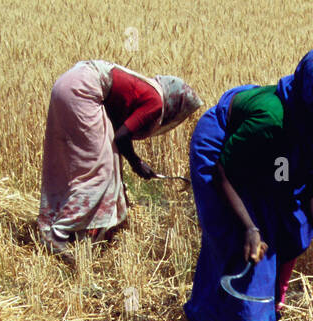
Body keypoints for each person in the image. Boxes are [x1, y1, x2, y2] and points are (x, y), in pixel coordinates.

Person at [184, 45, 313, 321]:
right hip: (222, 145)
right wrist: (249, 227)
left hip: (273, 149)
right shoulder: (272, 118)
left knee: (287, 229)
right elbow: (223, 173)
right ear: (309, 89)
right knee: (234, 239)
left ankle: (260, 315)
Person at [38, 61, 201, 250]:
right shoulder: (155, 102)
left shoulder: (144, 89)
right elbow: (122, 137)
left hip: (67, 84)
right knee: (100, 172)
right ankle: (59, 231)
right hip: (83, 92)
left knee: (85, 164)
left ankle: (73, 226)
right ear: (175, 104)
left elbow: (116, 139)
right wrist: (136, 163)